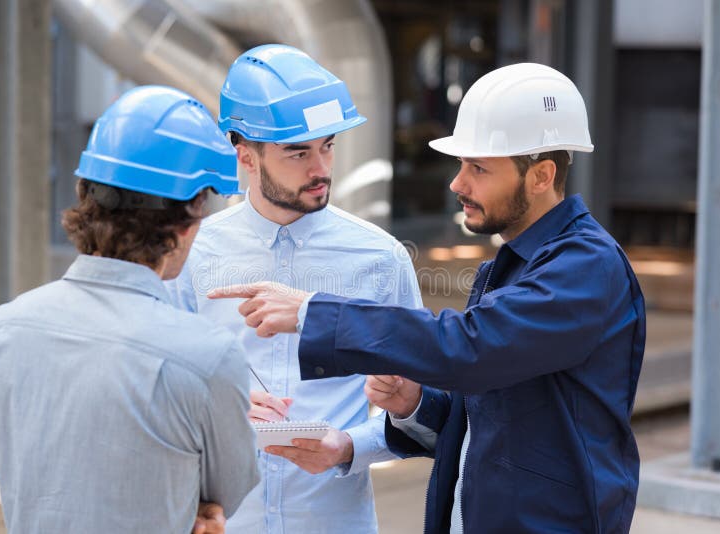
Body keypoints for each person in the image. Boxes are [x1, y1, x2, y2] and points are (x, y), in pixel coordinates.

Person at [211, 63, 646, 533]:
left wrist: (312, 312)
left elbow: (471, 349)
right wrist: (412, 402)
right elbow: (474, 418)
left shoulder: (584, 267)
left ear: (540, 176)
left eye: (478, 167)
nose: (457, 184)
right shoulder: (516, 267)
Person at [0, 85, 259, 534]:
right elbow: (232, 490)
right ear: (188, 221)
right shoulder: (205, 356)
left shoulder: (6, 328)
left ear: (84, 190)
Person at [168, 44, 422, 534]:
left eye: (327, 146)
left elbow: (419, 409)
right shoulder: (191, 254)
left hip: (334, 520)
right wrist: (217, 404)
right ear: (245, 155)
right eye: (298, 152)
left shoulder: (380, 259)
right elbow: (154, 386)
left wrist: (350, 446)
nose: (320, 168)